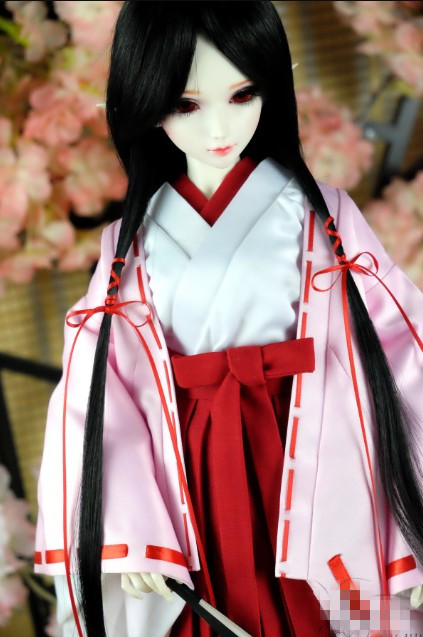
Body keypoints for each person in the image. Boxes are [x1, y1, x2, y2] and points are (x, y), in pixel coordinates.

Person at [34, 2, 423, 636]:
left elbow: (401, 356)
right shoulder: (129, 244)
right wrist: (132, 529)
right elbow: (98, 397)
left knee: (322, 610)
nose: (219, 127)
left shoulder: (321, 214)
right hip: (190, 468)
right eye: (186, 105)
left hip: (308, 444)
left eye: (243, 95)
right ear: (146, 103)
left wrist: (413, 525)